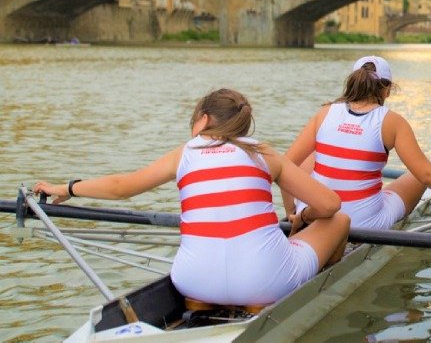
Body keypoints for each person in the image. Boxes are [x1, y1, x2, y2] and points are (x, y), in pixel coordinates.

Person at [33, 88, 351, 306]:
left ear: (203, 119)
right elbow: (330, 205)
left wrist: (66, 188)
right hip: (267, 281)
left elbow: (121, 187)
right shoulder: (262, 153)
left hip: (192, 282)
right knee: (341, 220)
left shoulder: (183, 154)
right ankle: (314, 287)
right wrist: (301, 219)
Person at [284, 56, 431, 229]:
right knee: (415, 175)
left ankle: (301, 217)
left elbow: (285, 167)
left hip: (315, 214)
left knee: (310, 159)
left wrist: (292, 212)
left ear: (353, 82)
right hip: (364, 224)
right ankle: (373, 198)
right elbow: (428, 176)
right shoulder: (392, 122)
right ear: (387, 90)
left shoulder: (325, 113)